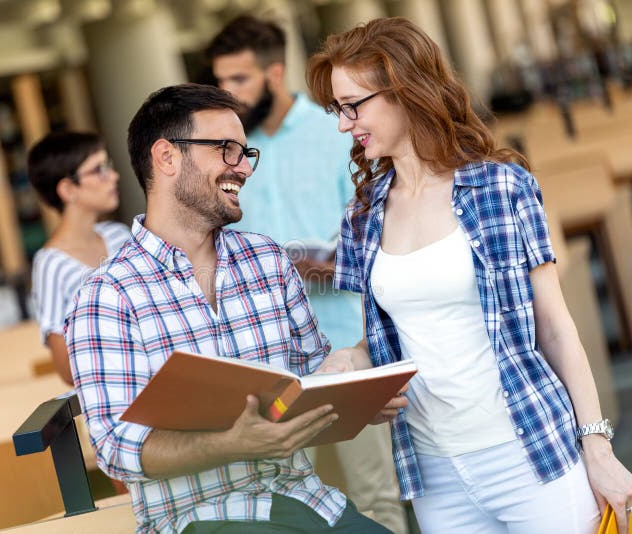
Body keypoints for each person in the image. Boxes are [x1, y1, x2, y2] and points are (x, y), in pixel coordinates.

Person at [307, 17, 632, 533]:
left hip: (530, 453)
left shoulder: (501, 186)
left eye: (353, 106)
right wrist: (350, 364)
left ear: (405, 91)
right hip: (435, 473)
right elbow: (388, 341)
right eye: (338, 110)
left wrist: (597, 445)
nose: (345, 124)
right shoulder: (363, 215)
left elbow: (554, 325)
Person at [64, 83, 393, 533]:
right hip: (200, 521)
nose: (243, 168)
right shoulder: (106, 296)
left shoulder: (268, 261)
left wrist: (356, 396)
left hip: (308, 506)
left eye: (245, 153)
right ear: (166, 158)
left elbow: (312, 379)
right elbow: (118, 449)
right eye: (226, 150)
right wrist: (232, 444)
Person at [206, 16, 407, 534]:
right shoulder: (230, 154)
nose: (228, 93)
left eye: (239, 79)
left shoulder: (339, 134)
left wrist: (305, 268)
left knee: (375, 499)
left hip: (346, 353)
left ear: (275, 72)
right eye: (221, 81)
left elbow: (381, 245)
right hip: (265, 365)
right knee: (285, 512)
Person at [28, 131, 130, 386]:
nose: (114, 176)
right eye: (99, 170)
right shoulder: (50, 265)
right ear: (67, 189)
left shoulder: (121, 236)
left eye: (109, 166)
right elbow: (66, 369)